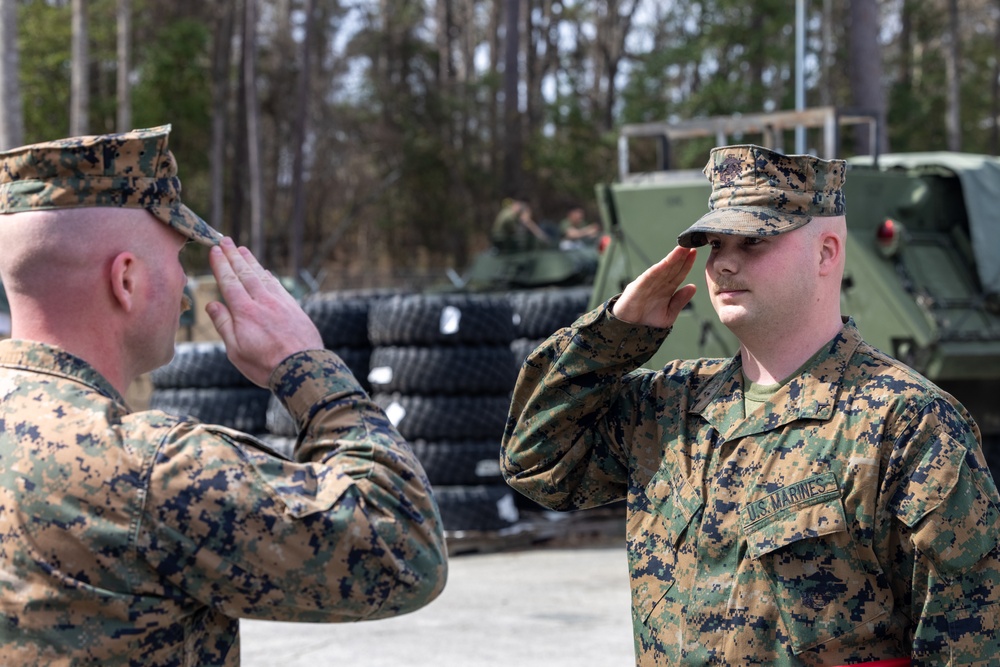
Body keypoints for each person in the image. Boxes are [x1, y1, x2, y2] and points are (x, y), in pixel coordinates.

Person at [501, 144, 1000, 665]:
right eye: (714, 243)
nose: (725, 262)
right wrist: (613, 336)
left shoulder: (904, 422)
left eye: (754, 241)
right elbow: (535, 463)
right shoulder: (670, 406)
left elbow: (967, 641)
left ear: (827, 252)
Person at [0, 126, 447, 665]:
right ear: (126, 280)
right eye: (180, 261)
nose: (186, 291)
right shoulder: (148, 469)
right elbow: (403, 549)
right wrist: (306, 366)